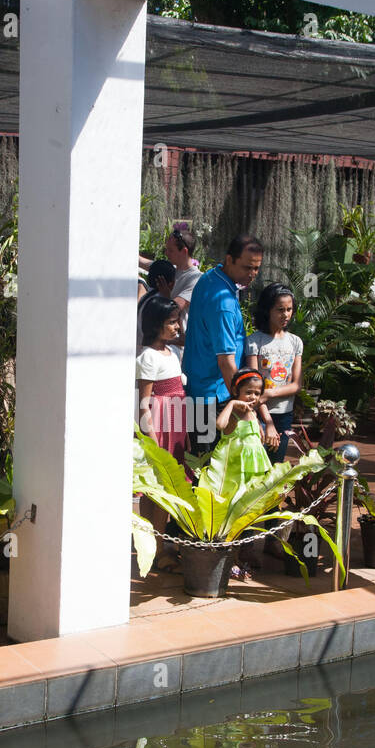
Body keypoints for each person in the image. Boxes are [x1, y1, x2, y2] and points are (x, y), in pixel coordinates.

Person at [183, 234, 264, 457]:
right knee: (211, 468)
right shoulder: (224, 303)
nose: (253, 274)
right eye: (247, 267)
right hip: (213, 397)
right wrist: (243, 408)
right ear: (230, 259)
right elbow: (226, 361)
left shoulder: (211, 278)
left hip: (200, 389)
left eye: (256, 268)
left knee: (201, 463)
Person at [136, 296, 187, 572]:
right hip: (160, 425)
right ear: (156, 325)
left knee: (167, 487)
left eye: (177, 320)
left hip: (176, 423)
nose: (177, 326)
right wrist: (151, 438)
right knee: (156, 489)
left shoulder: (173, 353)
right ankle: (154, 549)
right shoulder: (147, 356)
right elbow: (145, 400)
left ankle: (155, 544)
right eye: (170, 322)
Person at [215, 367, 273, 579]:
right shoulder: (233, 413)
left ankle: (241, 557)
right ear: (235, 390)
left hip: (252, 473)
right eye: (248, 392)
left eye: (257, 393)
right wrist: (231, 404)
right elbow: (219, 425)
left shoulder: (253, 413)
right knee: (232, 515)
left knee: (247, 516)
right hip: (234, 472)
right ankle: (231, 559)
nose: (253, 397)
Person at [246, 283, 303, 464]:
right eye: (280, 309)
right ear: (267, 310)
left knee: (277, 465)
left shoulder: (295, 342)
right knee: (258, 465)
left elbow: (296, 384)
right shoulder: (255, 342)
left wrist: (270, 393)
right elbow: (253, 386)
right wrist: (267, 422)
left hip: (285, 414)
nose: (285, 314)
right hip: (260, 414)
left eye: (289, 309)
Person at [136, 259, 176, 348]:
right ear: (170, 283)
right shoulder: (159, 302)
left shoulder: (147, 295)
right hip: (152, 349)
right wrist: (168, 298)